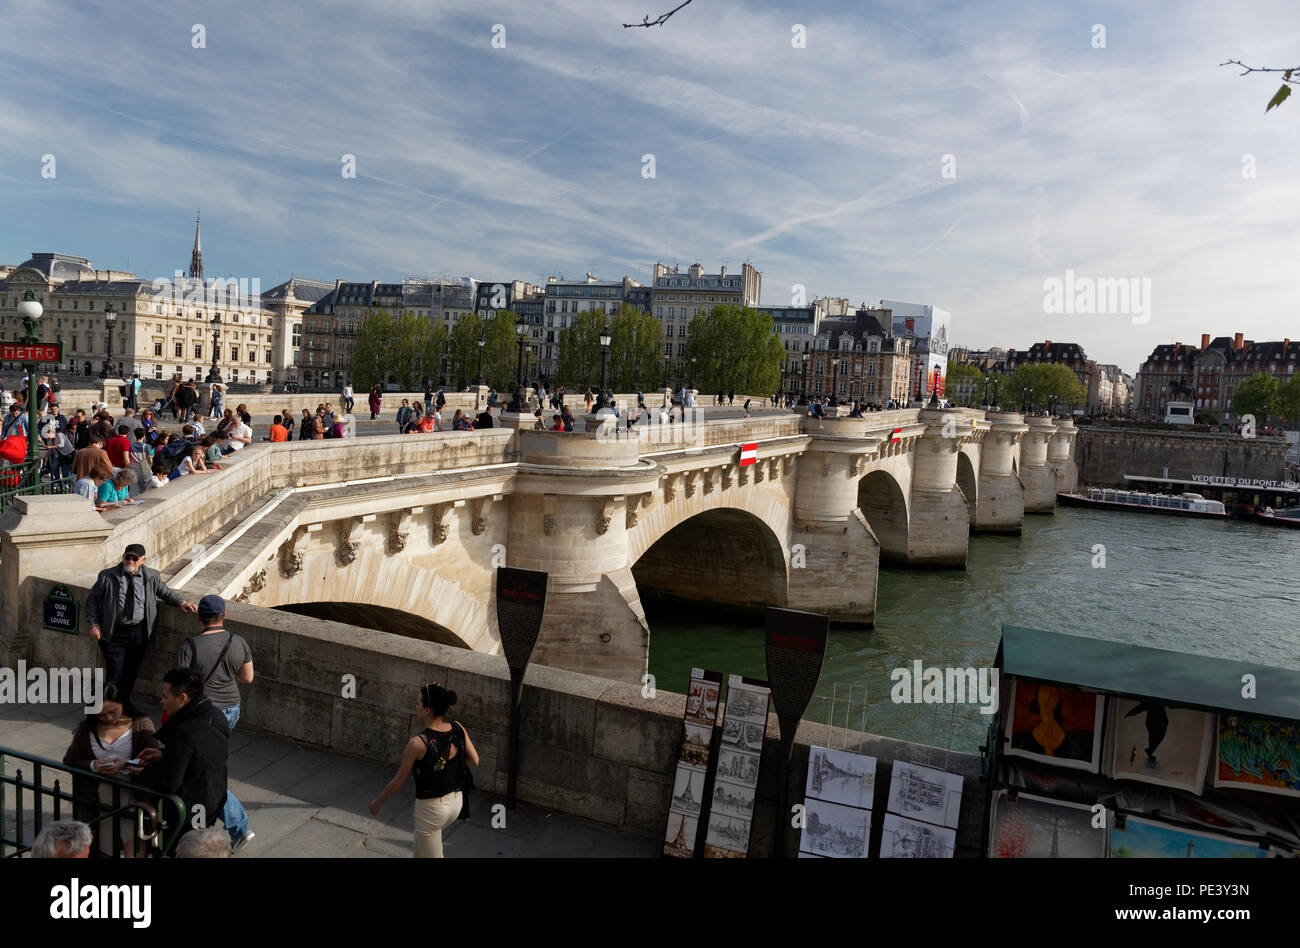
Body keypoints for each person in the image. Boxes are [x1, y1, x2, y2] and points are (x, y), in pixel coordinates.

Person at [175, 594, 255, 853]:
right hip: (231, 710)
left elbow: (179, 686)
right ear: (224, 616)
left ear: (199, 617)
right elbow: (247, 677)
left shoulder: (190, 646)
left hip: (204, 715)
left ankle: (239, 827)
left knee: (206, 775)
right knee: (205, 770)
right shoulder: (238, 642)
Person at [369, 682, 479, 858]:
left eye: (418, 702)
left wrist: (377, 802)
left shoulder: (417, 743)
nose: (416, 705)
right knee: (420, 850)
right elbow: (474, 760)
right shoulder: (458, 728)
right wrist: (449, 770)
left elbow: (398, 782)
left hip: (431, 811)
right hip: (456, 803)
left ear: (428, 710)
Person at [86, 544, 198, 713]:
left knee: (131, 672)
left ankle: (122, 704)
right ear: (123, 557)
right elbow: (92, 601)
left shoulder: (151, 576)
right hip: (115, 632)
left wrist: (181, 602)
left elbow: (164, 592)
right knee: (114, 673)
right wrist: (94, 625)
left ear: (143, 560)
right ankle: (108, 708)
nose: (130, 561)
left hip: (138, 632)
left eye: (134, 559)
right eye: (127, 557)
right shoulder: (108, 576)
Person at [135, 668, 230, 855]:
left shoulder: (185, 731)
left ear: (183, 698)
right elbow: (201, 754)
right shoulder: (215, 715)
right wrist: (166, 755)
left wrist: (144, 774)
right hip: (212, 800)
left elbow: (170, 781)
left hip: (188, 809)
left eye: (165, 696)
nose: (162, 701)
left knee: (187, 850)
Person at [61, 682, 159, 857]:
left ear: (123, 703)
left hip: (132, 788)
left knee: (129, 823)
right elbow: (70, 760)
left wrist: (125, 763)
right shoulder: (85, 730)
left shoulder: (141, 724)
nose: (108, 718)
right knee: (110, 828)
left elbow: (152, 759)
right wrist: (93, 765)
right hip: (99, 792)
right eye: (101, 714)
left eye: (113, 711)